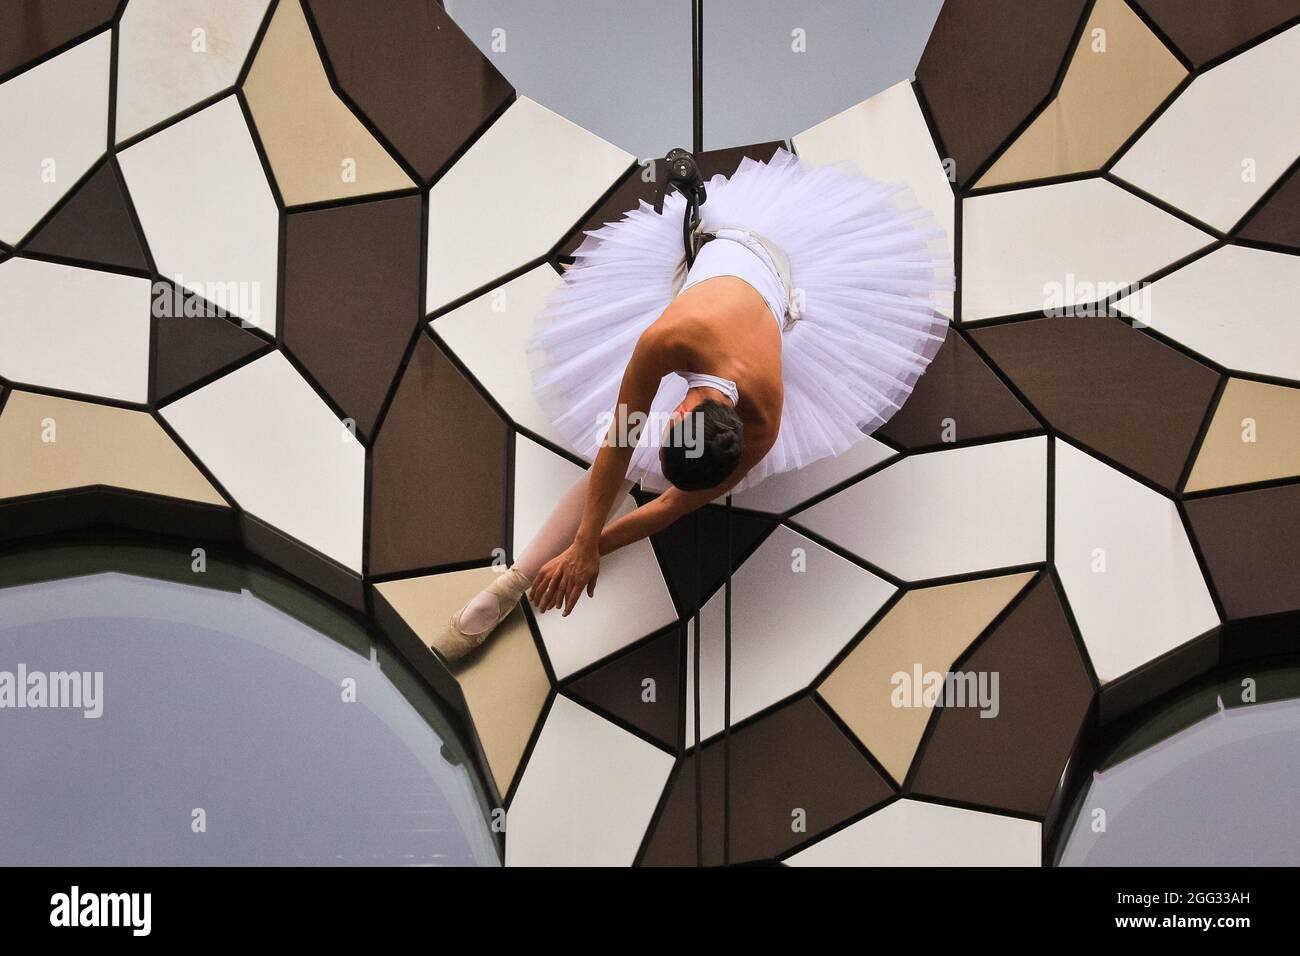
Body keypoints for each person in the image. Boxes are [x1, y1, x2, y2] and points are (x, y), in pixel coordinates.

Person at [435, 148, 951, 660]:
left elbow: (671, 506)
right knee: (618, 462)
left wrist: (588, 550)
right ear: (681, 413)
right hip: (728, 258)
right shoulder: (670, 338)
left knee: (631, 476)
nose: (655, 432)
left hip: (771, 287)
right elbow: (618, 446)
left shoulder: (763, 426)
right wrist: (585, 543)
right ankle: (508, 588)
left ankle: (510, 584)